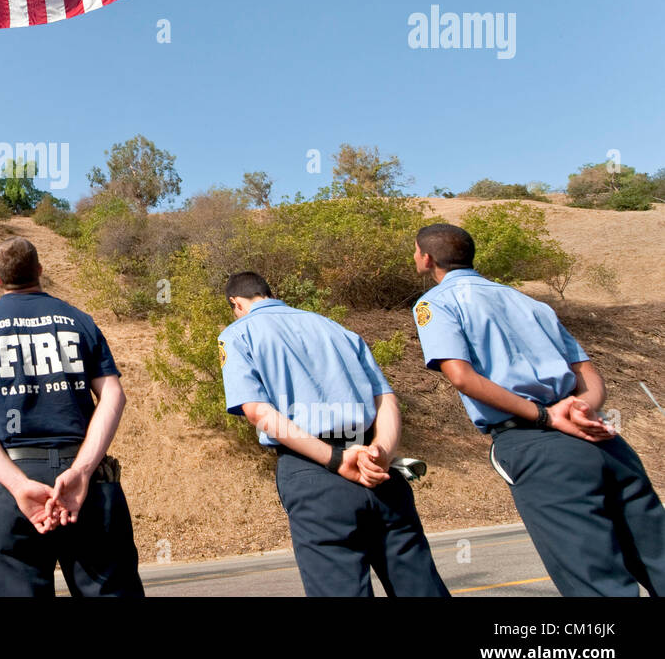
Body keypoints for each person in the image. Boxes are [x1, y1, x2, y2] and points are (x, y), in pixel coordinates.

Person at [412, 223, 665, 597]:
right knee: (658, 557)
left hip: (537, 444)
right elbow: (589, 376)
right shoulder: (530, 303)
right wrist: (579, 409)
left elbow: (462, 377)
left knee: (595, 580)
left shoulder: (436, 303)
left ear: (426, 258)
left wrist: (547, 417)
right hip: (603, 441)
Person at [219, 271, 449, 597]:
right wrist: (380, 451)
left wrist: (337, 459)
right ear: (269, 292)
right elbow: (385, 400)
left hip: (315, 473)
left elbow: (259, 413)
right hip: (377, 466)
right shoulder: (335, 328)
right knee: (421, 587)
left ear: (235, 303)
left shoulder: (238, 334)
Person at [0, 237, 144, 598]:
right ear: (40, 270)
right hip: (86, 485)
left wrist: (17, 485)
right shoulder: (79, 320)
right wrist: (83, 471)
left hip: (16, 486)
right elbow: (113, 395)